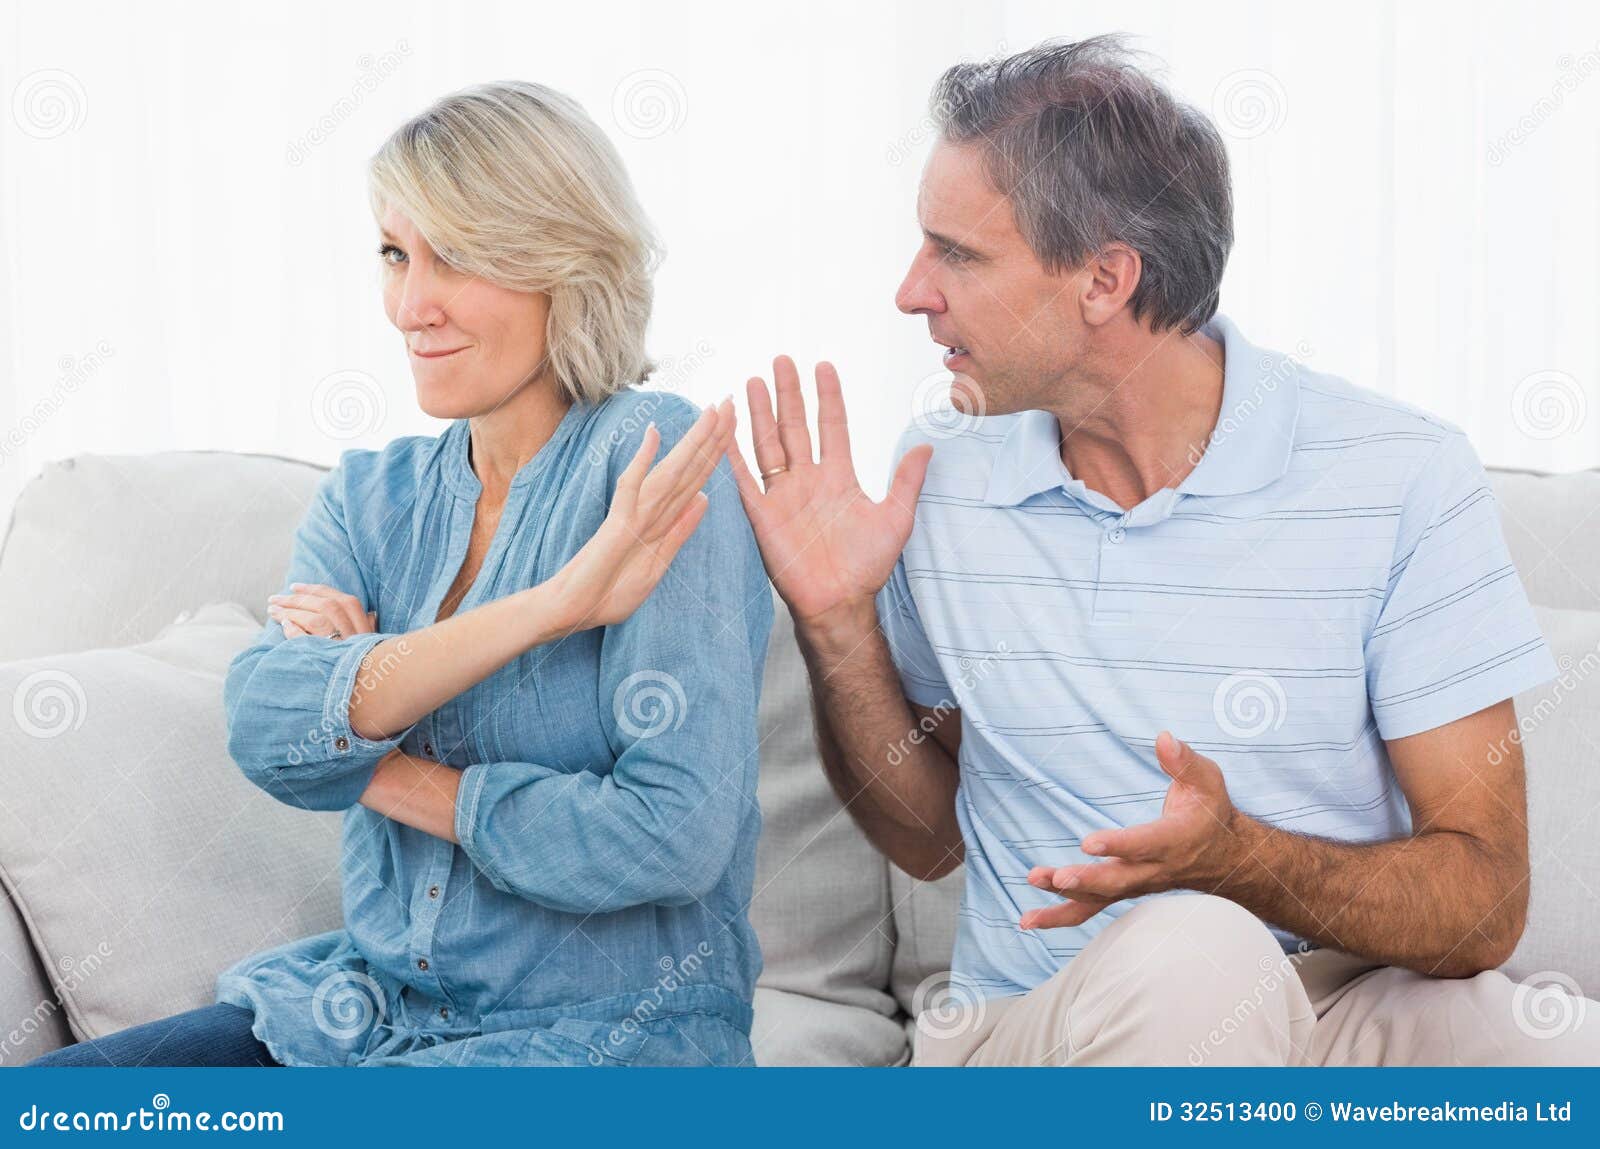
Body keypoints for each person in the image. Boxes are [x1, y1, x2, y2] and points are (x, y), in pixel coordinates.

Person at [728, 36, 1600, 1065]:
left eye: (956, 254)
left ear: (1104, 278)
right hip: (1041, 1026)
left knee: (1530, 1043)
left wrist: (1243, 859)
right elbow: (927, 839)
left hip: (1328, 1006)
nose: (913, 292)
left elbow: (1480, 905)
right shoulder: (946, 473)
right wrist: (836, 625)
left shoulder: (1398, 474)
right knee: (1197, 953)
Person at [30, 80, 771, 1068]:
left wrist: (367, 753)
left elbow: (671, 833)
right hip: (363, 1009)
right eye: (394, 254)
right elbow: (263, 727)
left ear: (562, 264)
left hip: (597, 1039)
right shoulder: (372, 495)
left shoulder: (651, 460)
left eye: (454, 256)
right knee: (43, 1111)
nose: (410, 307)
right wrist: (552, 607)